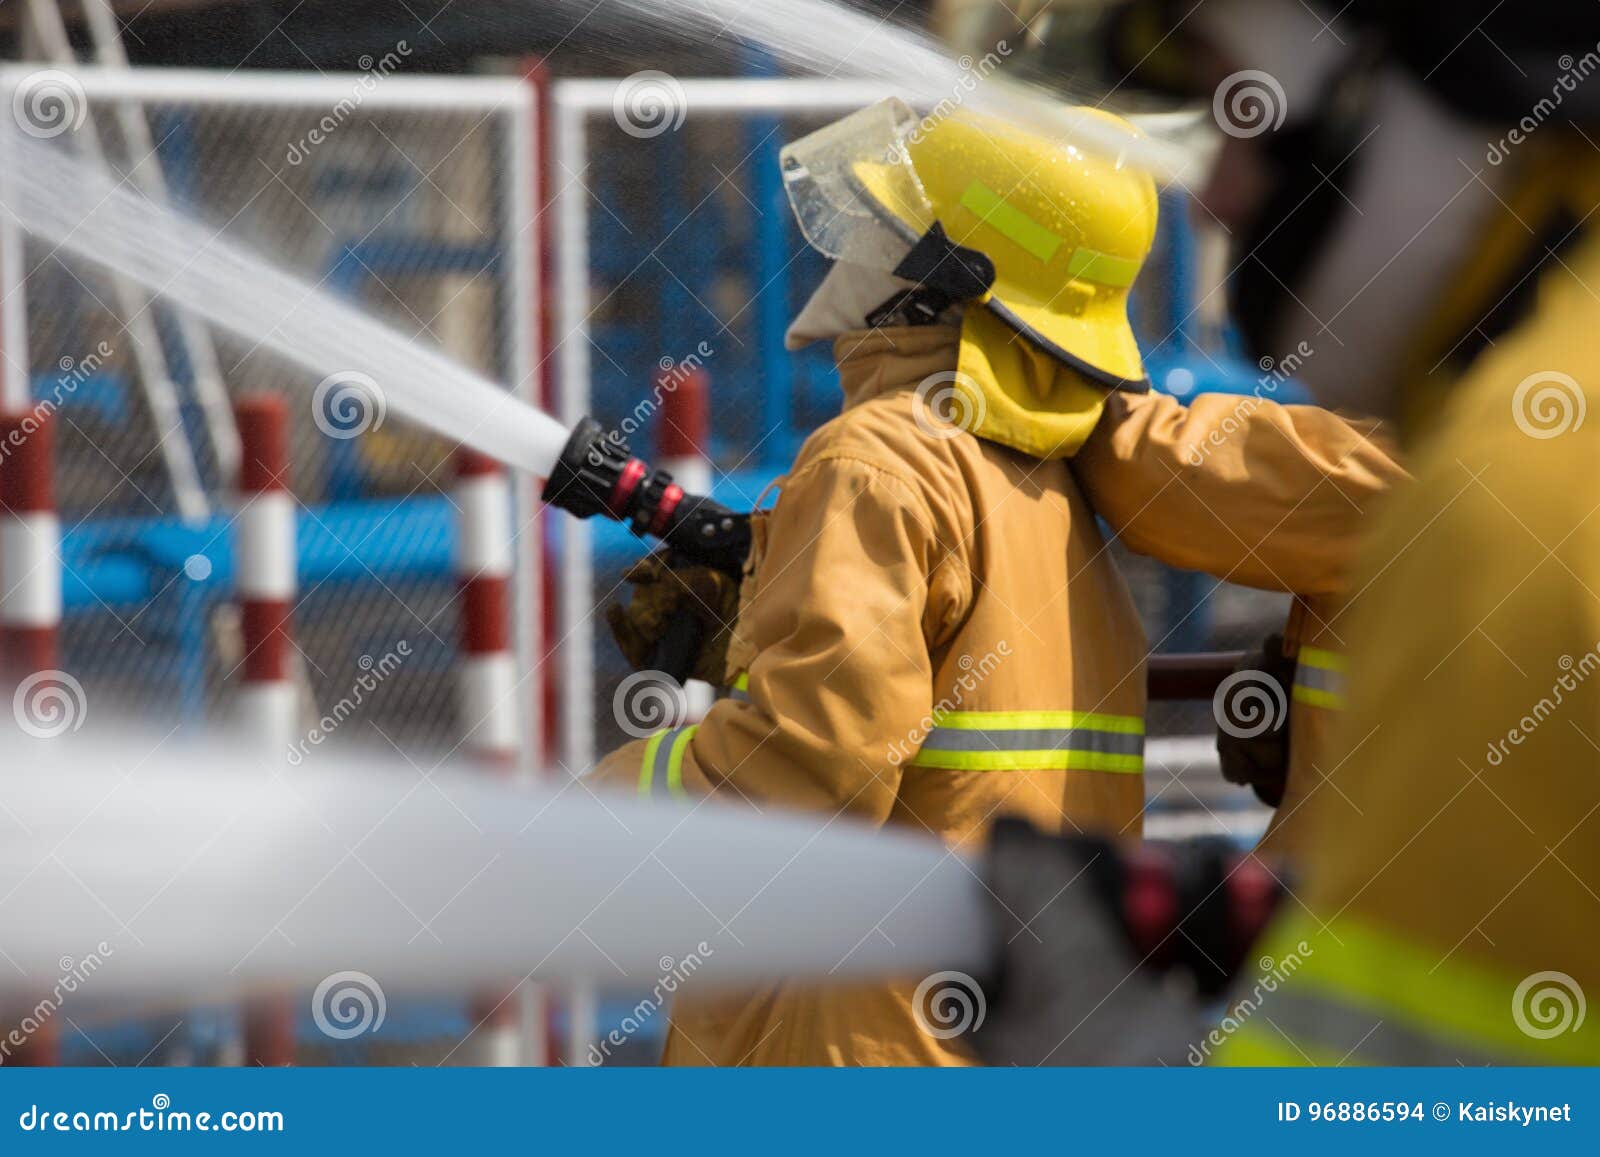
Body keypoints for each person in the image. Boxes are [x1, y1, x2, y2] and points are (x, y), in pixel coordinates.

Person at [590, 97, 1401, 1066]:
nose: (851, 246)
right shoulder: (1050, 488)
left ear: (944, 277)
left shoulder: (876, 461)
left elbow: (803, 771)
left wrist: (580, 815)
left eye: (884, 224)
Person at [947, 0, 1600, 1065]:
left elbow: (1432, 1098)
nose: (1216, 196)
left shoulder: (1527, 492)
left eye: (1240, 114)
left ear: (1447, 78)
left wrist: (1124, 1061)